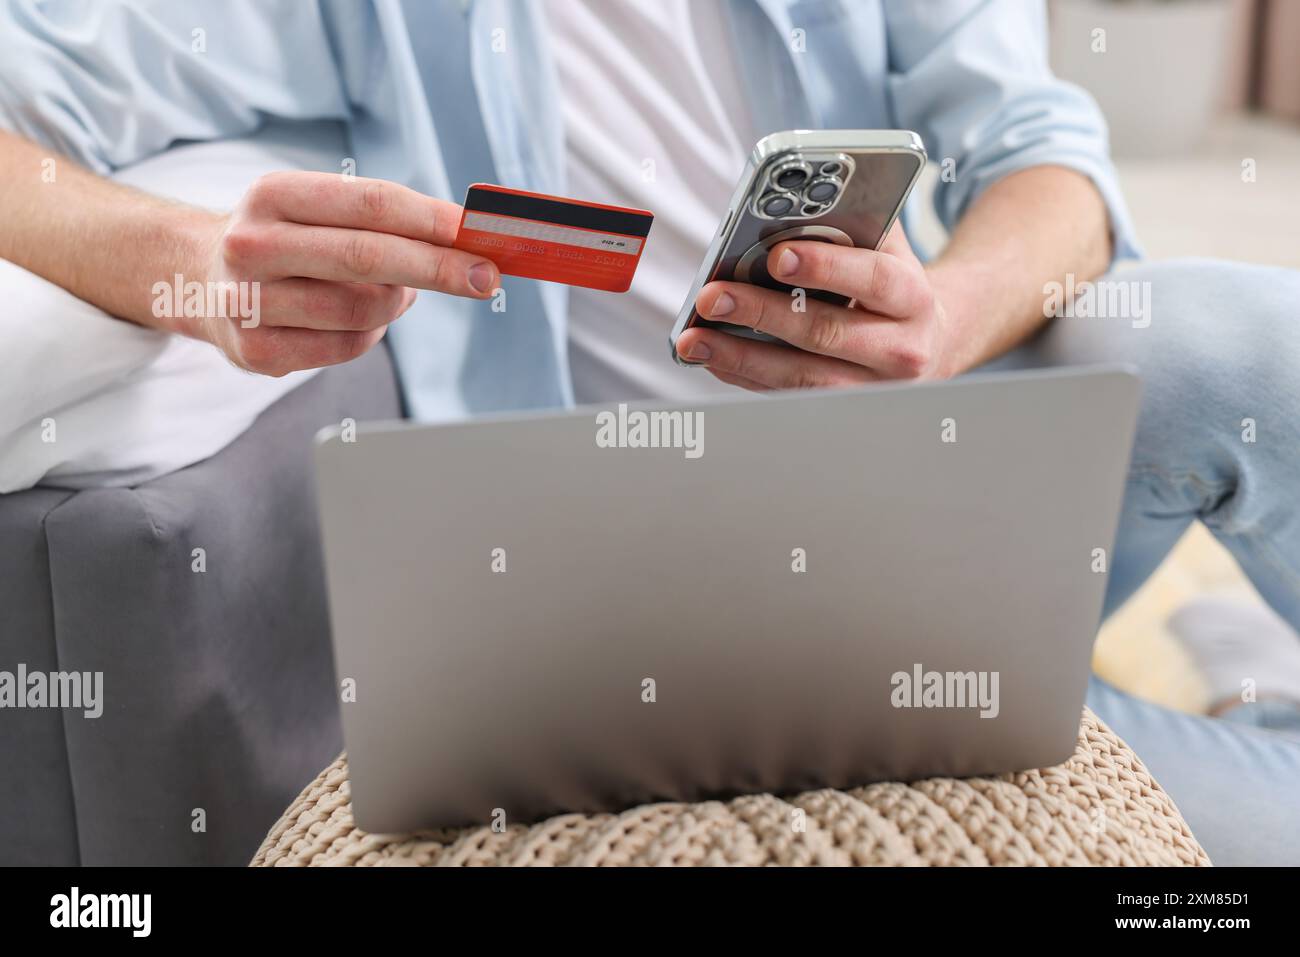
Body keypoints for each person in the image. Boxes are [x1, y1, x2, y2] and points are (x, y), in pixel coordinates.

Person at [0, 0, 1296, 863]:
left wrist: (944, 318)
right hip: (642, 588)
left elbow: (1050, 163)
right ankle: (1194, 695)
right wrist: (181, 259)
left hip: (916, 474)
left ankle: (1160, 686)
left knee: (1211, 336)